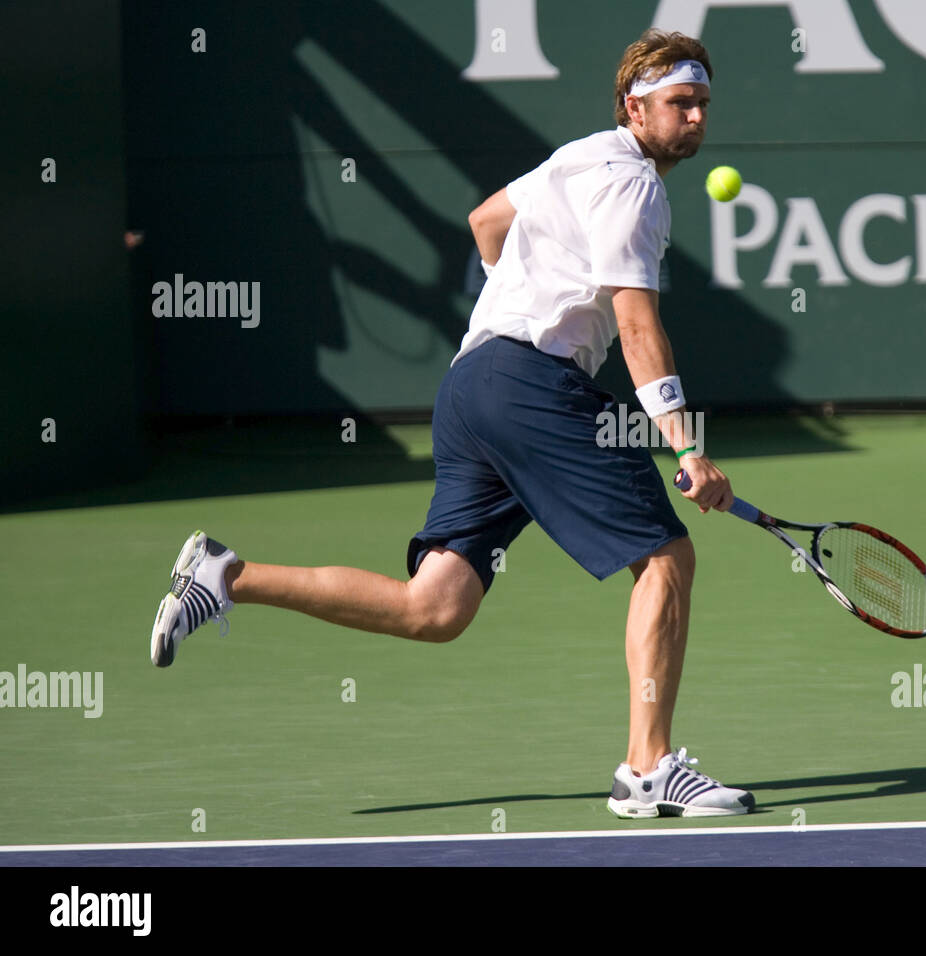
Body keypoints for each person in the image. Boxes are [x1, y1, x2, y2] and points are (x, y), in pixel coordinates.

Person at [150, 28, 754, 819]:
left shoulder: (574, 159)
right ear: (634, 108)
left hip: (470, 387)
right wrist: (685, 444)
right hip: (533, 384)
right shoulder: (636, 185)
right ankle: (648, 769)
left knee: (434, 608)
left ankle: (225, 576)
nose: (696, 119)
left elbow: (483, 222)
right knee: (665, 556)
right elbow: (637, 327)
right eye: (681, 103)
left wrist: (521, 297)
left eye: (704, 103)